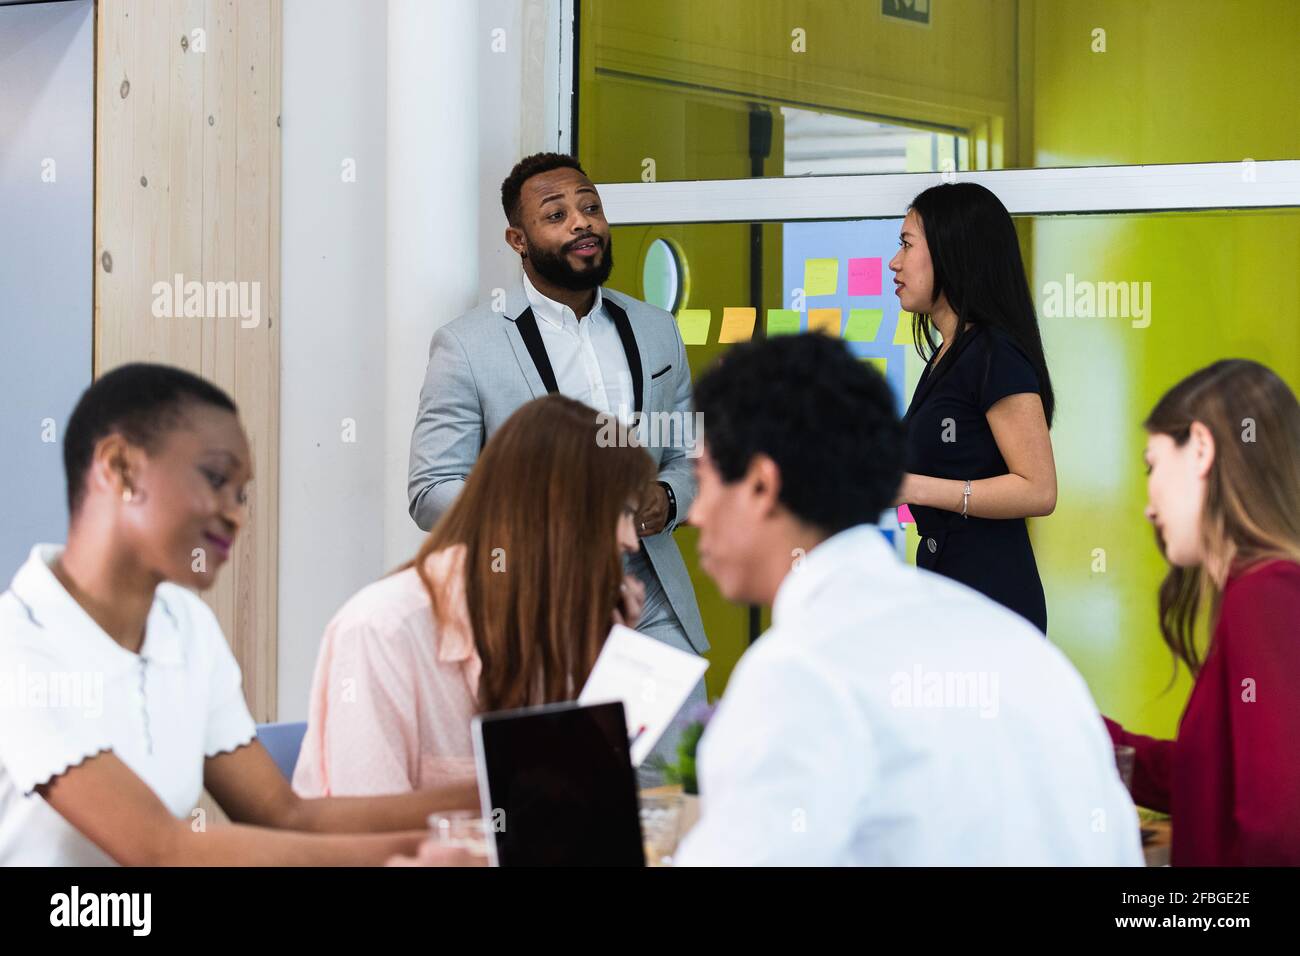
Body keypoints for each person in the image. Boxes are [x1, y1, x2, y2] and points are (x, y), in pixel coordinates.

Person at [672, 334, 1141, 866]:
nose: (699, 514)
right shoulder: (1020, 648)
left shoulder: (797, 673)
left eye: (704, 481)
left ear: (761, 485)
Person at [0, 364, 476, 866]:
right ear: (119, 468)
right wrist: (423, 852)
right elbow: (165, 851)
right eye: (216, 478)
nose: (236, 514)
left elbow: (286, 815)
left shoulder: (186, 624)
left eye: (242, 493)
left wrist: (505, 793)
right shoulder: (19, 641)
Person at [407, 152, 708, 772]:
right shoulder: (468, 345)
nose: (582, 223)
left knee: (673, 789)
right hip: (531, 605)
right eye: (557, 214)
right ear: (518, 240)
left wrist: (671, 498)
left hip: (651, 602)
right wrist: (543, 517)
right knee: (558, 799)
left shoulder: (656, 330)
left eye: (590, 207)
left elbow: (690, 455)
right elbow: (431, 488)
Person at [295, 395, 655, 796]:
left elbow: (589, 799)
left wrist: (609, 661)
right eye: (620, 513)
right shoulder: (381, 631)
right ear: (558, 516)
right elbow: (365, 839)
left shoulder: (557, 627)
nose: (630, 541)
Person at [1104, 360, 1300, 865]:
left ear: (1201, 449)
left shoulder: (1265, 595)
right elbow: (1208, 781)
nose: (1149, 507)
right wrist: (1093, 734)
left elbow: (1278, 829)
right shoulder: (1261, 594)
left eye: (1152, 464)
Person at [889, 182, 1057, 633]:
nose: (894, 262)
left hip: (991, 599)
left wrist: (913, 487)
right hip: (948, 588)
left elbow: (1038, 490)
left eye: (906, 245)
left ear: (951, 252)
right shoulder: (949, 354)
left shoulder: (992, 354)